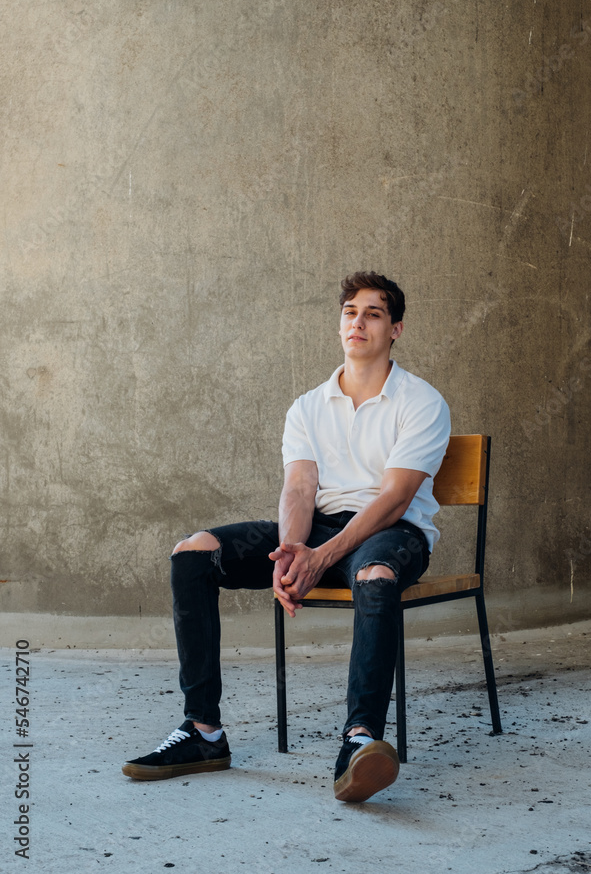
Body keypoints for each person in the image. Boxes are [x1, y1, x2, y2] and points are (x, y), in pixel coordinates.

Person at [122, 271, 450, 802]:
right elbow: (299, 488)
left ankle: (360, 740)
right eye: (349, 311)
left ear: (396, 329)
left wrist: (321, 557)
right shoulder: (308, 406)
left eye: (373, 313)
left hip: (392, 532)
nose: (358, 322)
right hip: (316, 530)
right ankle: (203, 732)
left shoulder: (422, 402)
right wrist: (289, 552)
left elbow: (392, 499)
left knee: (375, 575)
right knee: (193, 553)